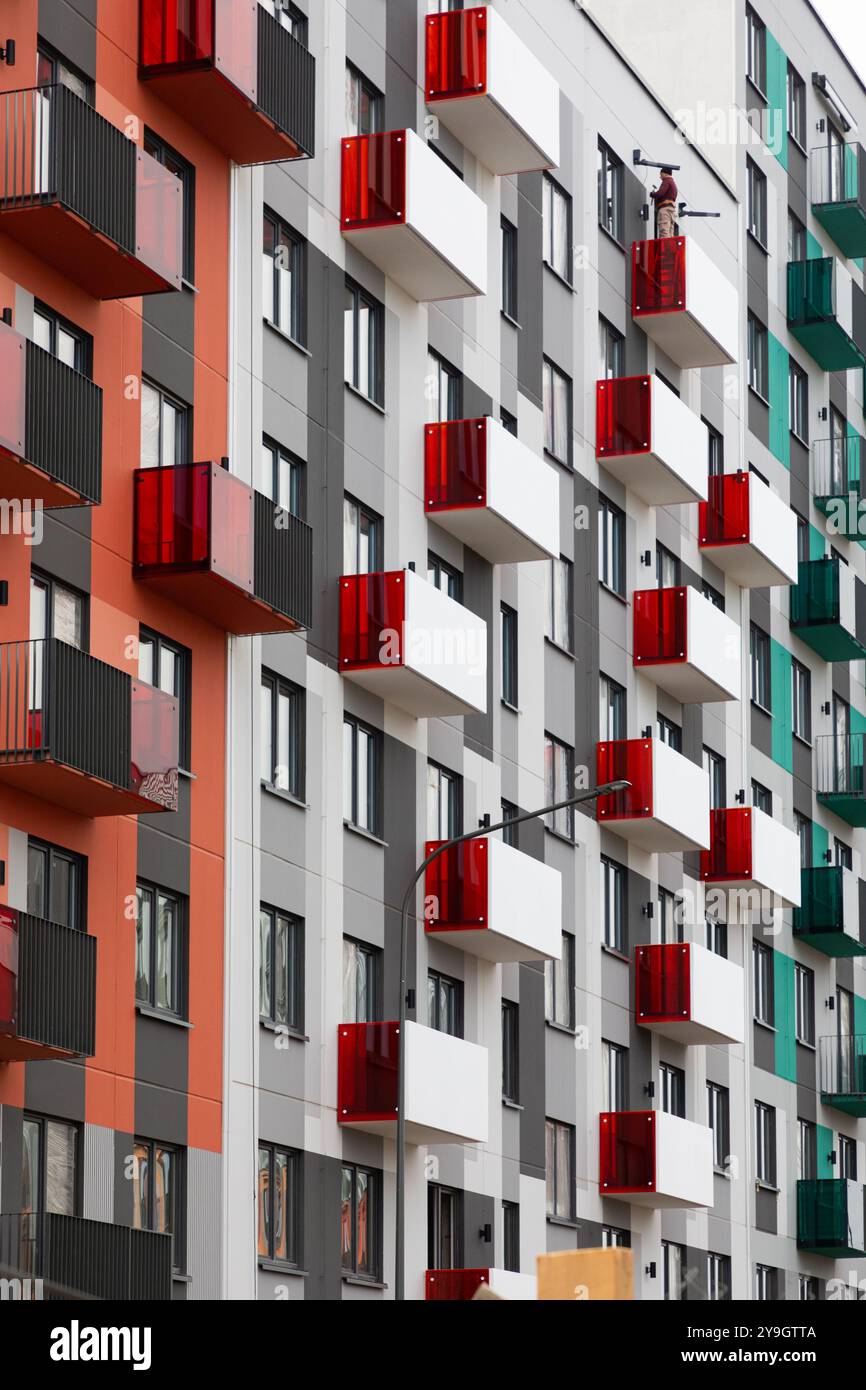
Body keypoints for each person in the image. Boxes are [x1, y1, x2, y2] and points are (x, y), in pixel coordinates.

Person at [651, 166, 678, 239]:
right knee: (670, 232)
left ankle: (665, 249)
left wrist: (653, 194)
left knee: (664, 230)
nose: (660, 177)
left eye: (661, 174)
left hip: (665, 209)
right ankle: (669, 248)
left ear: (665, 173)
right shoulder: (673, 184)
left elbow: (660, 193)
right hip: (671, 209)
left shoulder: (666, 181)